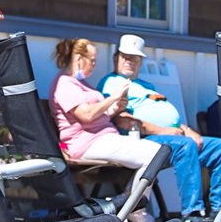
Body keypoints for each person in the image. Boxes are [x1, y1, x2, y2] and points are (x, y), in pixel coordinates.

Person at [101, 34, 221, 219]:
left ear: (141, 62)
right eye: (125, 57)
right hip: (143, 139)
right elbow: (121, 119)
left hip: (172, 136)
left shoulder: (145, 85)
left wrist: (187, 130)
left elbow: (167, 118)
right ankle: (193, 211)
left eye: (135, 58)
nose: (129, 62)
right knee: (186, 146)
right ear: (115, 58)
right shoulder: (112, 83)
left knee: (219, 147)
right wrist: (165, 131)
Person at [47, 36, 158, 180]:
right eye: (92, 61)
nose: (94, 65)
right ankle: (132, 195)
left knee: (157, 153)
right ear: (79, 59)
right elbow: (86, 115)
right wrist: (113, 97)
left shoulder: (80, 83)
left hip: (102, 139)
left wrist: (116, 108)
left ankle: (133, 193)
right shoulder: (65, 85)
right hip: (87, 143)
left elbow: (96, 114)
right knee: (155, 155)